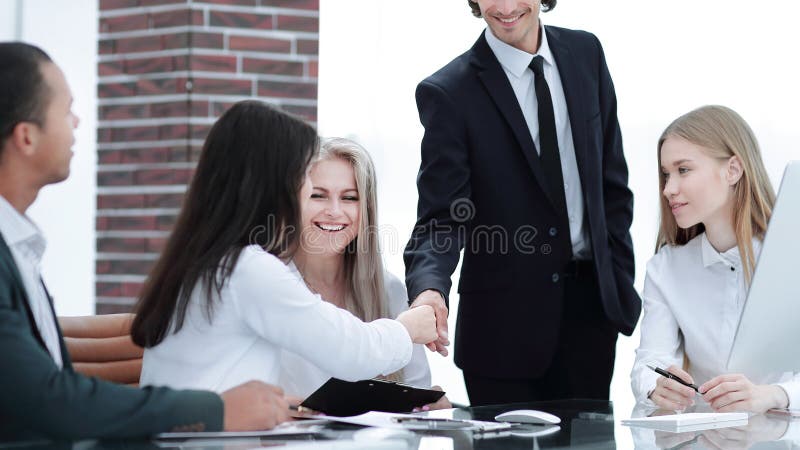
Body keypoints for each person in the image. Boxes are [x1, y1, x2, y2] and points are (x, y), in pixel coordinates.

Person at [0, 42, 289, 441]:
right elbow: (48, 403)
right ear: (26, 137)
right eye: (66, 110)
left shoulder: (18, 245)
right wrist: (216, 409)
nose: (78, 122)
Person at [403, 0, 640, 405]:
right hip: (501, 335)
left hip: (591, 316)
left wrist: (617, 273)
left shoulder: (587, 55)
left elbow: (612, 178)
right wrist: (429, 289)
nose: (507, 6)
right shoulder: (449, 93)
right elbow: (442, 218)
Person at [132, 103, 438, 394]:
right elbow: (350, 351)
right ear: (272, 181)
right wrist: (407, 328)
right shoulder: (249, 270)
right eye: (305, 177)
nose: (304, 188)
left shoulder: (205, 260)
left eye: (349, 197)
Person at [631, 105, 799, 413]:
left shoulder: (791, 256)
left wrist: (774, 394)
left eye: (683, 170)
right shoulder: (665, 269)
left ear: (733, 169)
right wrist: (657, 386)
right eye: (666, 174)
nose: (669, 189)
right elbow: (648, 362)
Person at [278, 138, 451, 410]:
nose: (334, 211)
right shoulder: (272, 285)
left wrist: (429, 408)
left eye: (349, 197)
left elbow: (416, 387)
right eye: (318, 195)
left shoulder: (389, 290)